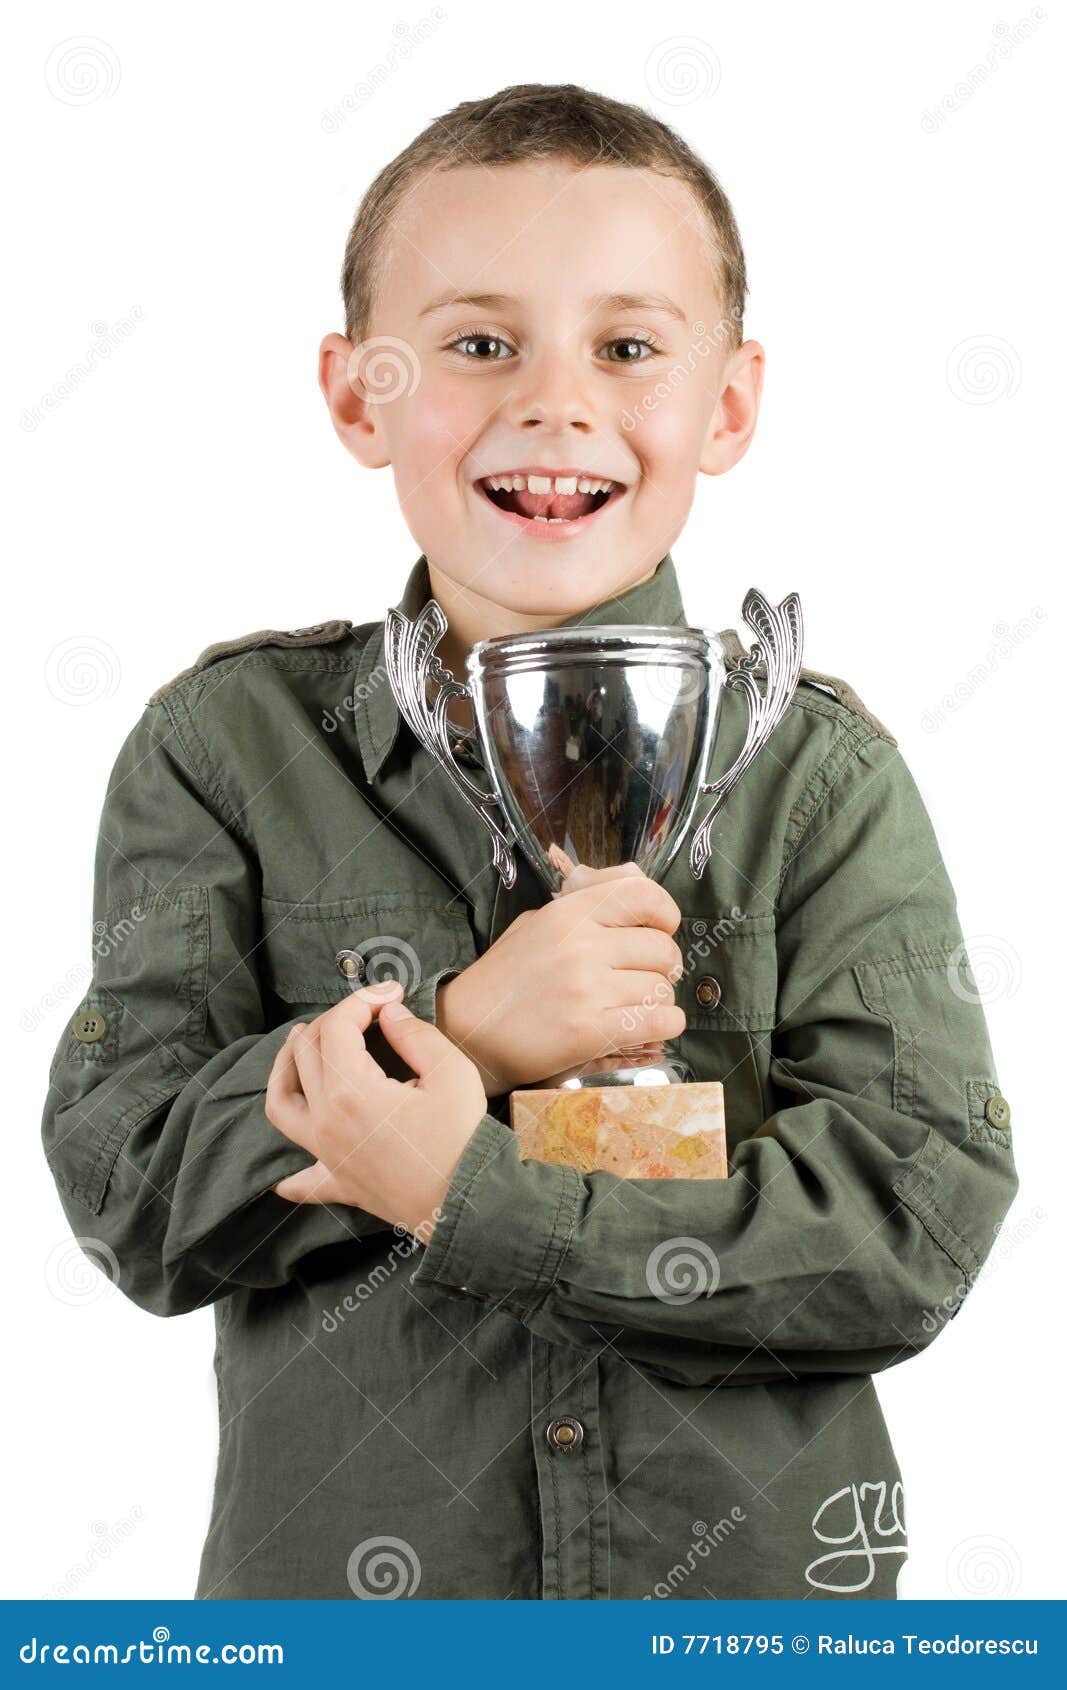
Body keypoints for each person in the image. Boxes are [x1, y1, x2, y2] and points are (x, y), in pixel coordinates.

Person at [41, 82, 1017, 1601]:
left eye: (628, 347)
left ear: (730, 402)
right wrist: (459, 1032)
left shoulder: (819, 781)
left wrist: (464, 1193)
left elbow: (917, 1217)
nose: (556, 404)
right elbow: (125, 1182)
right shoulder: (225, 752)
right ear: (359, 394)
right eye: (479, 342)